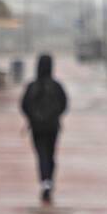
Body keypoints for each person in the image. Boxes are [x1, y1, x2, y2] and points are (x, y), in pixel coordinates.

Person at [20, 53, 69, 205]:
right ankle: (49, 180)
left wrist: (32, 117)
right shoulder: (56, 86)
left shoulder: (32, 86)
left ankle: (45, 181)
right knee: (51, 154)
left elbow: (24, 105)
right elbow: (64, 104)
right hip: (52, 126)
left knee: (41, 154)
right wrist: (55, 115)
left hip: (36, 127)